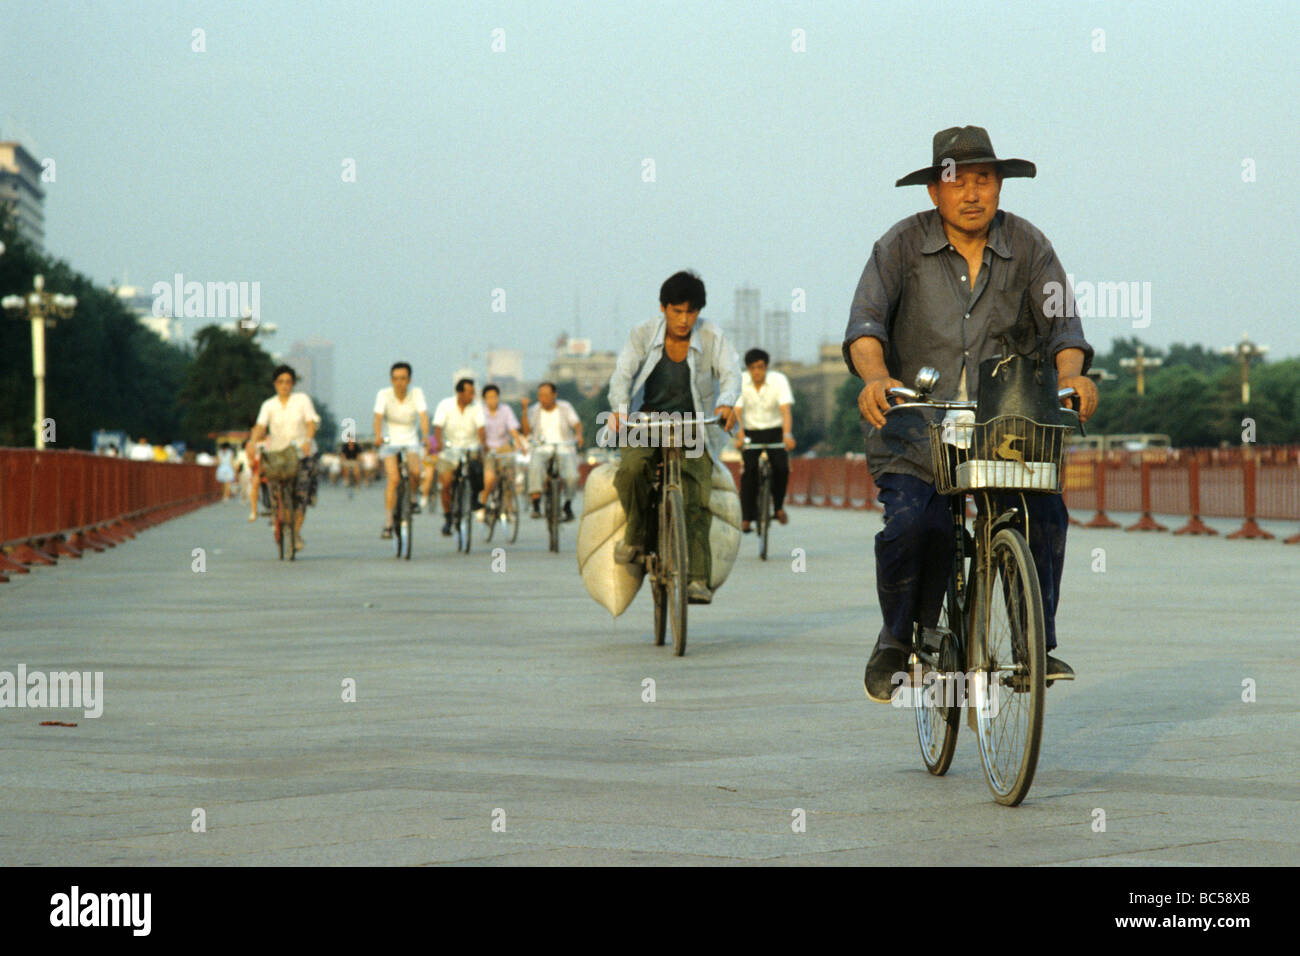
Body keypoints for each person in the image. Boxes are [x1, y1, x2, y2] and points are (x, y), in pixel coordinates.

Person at [843, 126, 1099, 703]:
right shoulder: (899, 247)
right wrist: (877, 377)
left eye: (985, 180)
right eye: (958, 182)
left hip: (1004, 428)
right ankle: (897, 637)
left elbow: (1065, 327)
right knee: (916, 523)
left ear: (1001, 187)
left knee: (1045, 514)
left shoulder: (1031, 247)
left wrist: (1072, 375)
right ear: (935, 191)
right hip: (917, 428)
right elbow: (865, 326)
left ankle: (1036, 641)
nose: (973, 193)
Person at [606, 270, 741, 605]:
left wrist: (726, 404)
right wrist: (620, 409)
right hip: (647, 422)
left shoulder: (712, 336)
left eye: (691, 312)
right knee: (632, 471)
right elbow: (622, 374)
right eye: (677, 311)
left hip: (694, 424)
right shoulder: (642, 334)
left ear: (699, 312)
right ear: (664, 308)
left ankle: (697, 578)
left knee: (696, 495)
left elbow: (731, 373)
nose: (684, 319)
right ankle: (637, 535)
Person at [248, 364, 320, 551]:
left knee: (301, 497)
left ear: (293, 384)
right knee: (277, 493)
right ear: (275, 384)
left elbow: (310, 423)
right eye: (280, 382)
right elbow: (260, 427)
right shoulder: (268, 405)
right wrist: (252, 443)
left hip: (302, 453)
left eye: (288, 382)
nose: (284, 386)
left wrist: (308, 440)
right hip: (278, 456)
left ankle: (295, 533)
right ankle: (276, 517)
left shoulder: (302, 400)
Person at [733, 348, 795, 531]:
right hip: (751, 432)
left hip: (775, 431)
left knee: (781, 468)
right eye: (753, 368)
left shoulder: (778, 380)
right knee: (749, 471)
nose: (757, 372)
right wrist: (740, 437)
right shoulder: (741, 381)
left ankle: (778, 508)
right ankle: (747, 517)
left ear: (766, 367)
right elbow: (737, 412)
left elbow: (785, 411)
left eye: (760, 367)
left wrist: (788, 435)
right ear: (748, 369)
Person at [373, 361, 430, 538]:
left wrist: (426, 436)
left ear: (409, 380)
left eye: (403, 378)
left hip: (411, 440)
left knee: (415, 472)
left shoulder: (416, 394)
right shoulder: (383, 395)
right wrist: (377, 435)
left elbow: (423, 417)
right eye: (396, 379)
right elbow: (378, 417)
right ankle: (389, 522)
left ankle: (412, 498)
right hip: (391, 441)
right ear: (391, 380)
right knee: (394, 479)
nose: (400, 382)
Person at [432, 378, 487, 536]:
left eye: (473, 392)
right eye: (470, 392)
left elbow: (481, 429)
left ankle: (474, 498)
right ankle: (448, 517)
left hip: (470, 447)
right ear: (460, 393)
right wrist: (439, 442)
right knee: (447, 482)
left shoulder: (476, 408)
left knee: (478, 470)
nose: (472, 395)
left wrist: (482, 443)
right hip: (449, 449)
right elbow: (438, 427)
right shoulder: (445, 405)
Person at [521, 382, 582, 523]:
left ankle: (567, 504)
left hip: (564, 447)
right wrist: (524, 411)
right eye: (540, 395)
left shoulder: (565, 407)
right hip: (541, 448)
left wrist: (579, 435)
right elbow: (526, 432)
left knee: (572, 475)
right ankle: (536, 503)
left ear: (554, 395)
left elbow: (576, 424)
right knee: (534, 468)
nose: (543, 399)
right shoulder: (534, 410)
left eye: (546, 395)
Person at [479, 384, 525, 521]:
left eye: (494, 397)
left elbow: (513, 429)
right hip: (487, 448)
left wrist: (518, 443)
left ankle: (509, 509)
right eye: (489, 397)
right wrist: (483, 446)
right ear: (484, 399)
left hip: (504, 448)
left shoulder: (506, 410)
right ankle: (482, 505)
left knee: (509, 478)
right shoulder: (479, 412)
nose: (492, 400)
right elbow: (479, 432)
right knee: (489, 480)